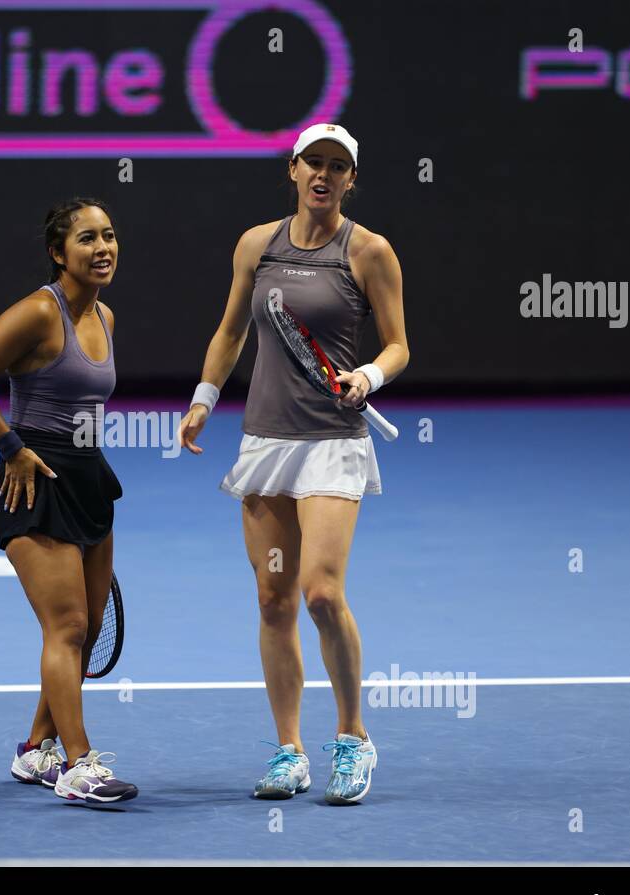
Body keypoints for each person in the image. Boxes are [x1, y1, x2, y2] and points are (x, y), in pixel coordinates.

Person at [177, 123, 410, 804]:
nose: (325, 175)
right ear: (294, 167)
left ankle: (353, 737)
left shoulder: (369, 251)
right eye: (316, 162)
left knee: (320, 592)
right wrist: (203, 397)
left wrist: (368, 374)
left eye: (339, 167)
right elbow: (231, 330)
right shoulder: (257, 243)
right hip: (266, 442)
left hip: (333, 443)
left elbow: (399, 346)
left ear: (350, 180)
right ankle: (289, 751)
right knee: (274, 599)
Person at [0, 198, 137, 804]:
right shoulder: (36, 312)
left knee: (85, 628)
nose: (102, 248)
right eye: (87, 239)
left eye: (109, 236)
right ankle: (79, 765)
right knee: (68, 625)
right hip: (35, 485)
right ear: (59, 253)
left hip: (90, 482)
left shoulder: (106, 317)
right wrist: (10, 446)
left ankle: (36, 752)